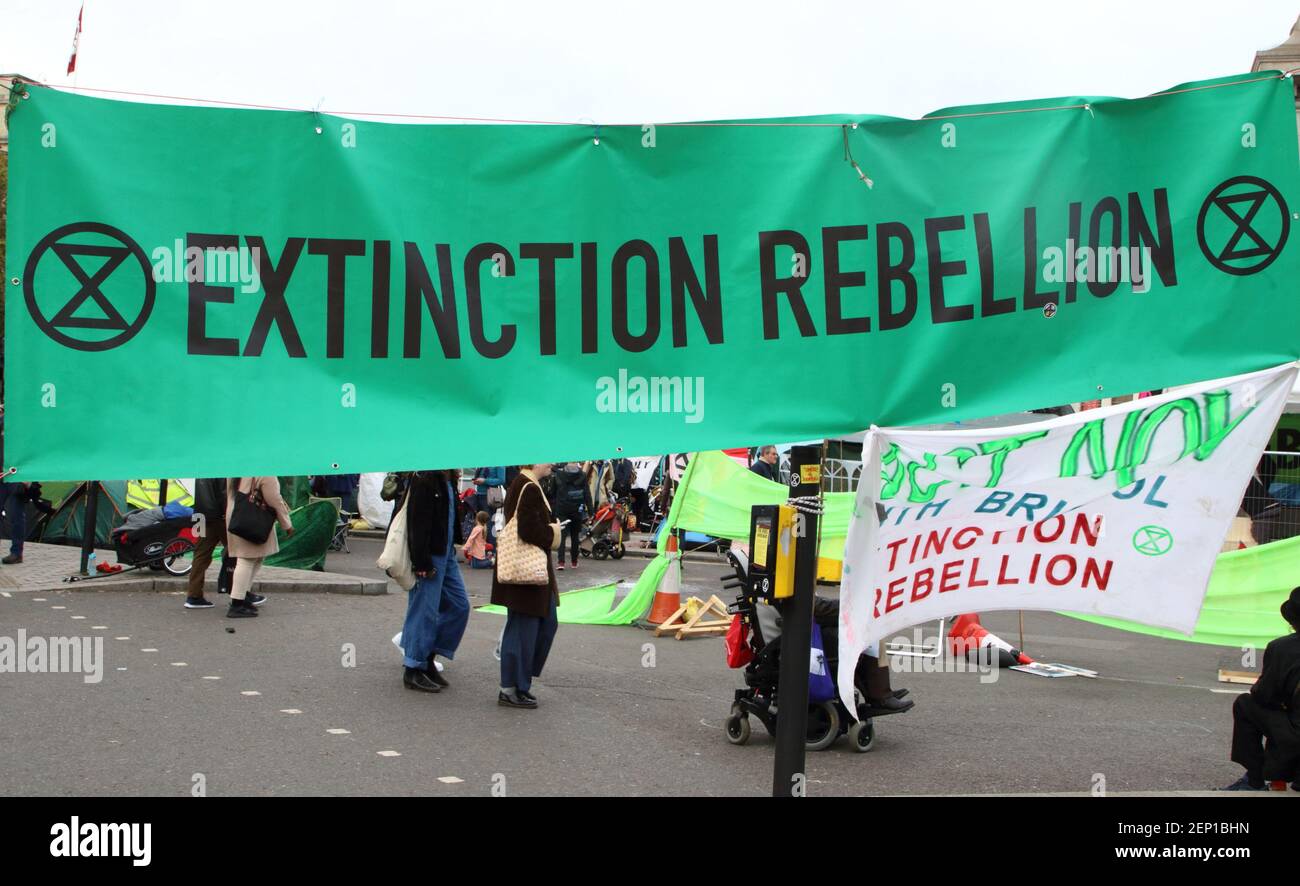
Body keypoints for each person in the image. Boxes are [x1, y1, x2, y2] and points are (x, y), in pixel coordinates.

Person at [491, 463, 562, 709]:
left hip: (528, 573)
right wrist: (554, 532)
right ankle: (511, 688)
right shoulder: (529, 487)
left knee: (538, 624)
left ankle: (519, 684)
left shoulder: (524, 484)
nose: (552, 463)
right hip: (527, 573)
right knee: (524, 629)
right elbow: (529, 530)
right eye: (548, 458)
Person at [1223, 587, 1300, 791]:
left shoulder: (1283, 647)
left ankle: (1255, 779)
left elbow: (1265, 695)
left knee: (1247, 704)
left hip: (1295, 737)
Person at [400, 470, 469, 693]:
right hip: (430, 555)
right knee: (424, 611)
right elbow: (416, 522)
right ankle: (413, 668)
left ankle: (427, 656)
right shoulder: (425, 476)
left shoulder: (445, 477)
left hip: (445, 553)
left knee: (460, 606)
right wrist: (421, 562)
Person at [224, 477, 294, 618]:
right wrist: (287, 524)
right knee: (246, 560)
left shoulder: (237, 467)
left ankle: (242, 596)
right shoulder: (265, 471)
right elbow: (274, 499)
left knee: (254, 558)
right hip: (253, 517)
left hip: (238, 512)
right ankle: (237, 603)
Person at [184, 477, 227, 609]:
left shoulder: (202, 469)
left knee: (200, 555)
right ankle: (241, 593)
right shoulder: (222, 467)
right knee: (237, 551)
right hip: (219, 517)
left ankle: (194, 595)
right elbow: (224, 494)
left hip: (201, 516)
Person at [551, 461, 591, 571]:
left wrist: (553, 510)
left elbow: (553, 493)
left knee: (562, 536)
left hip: (561, 509)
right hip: (577, 509)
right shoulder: (582, 475)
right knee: (575, 537)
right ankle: (574, 561)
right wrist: (591, 511)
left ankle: (561, 562)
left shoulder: (558, 475)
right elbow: (587, 494)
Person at [0, 404, 27, 565]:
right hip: (2, 474)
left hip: (16, 475)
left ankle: (17, 552)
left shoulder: (19, 424)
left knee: (17, 516)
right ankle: (16, 552)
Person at [471, 466, 506, 542]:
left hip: (490, 496)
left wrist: (485, 481)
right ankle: (482, 548)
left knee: (488, 523)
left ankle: (491, 548)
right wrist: (477, 480)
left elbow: (502, 480)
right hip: (479, 495)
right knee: (480, 523)